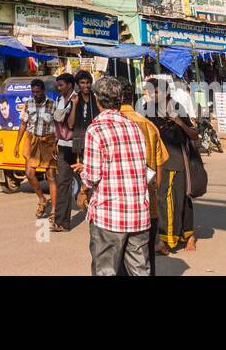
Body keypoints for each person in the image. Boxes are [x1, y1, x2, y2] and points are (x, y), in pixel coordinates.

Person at [80, 76, 152, 276]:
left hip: (109, 214)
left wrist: (83, 178)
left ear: (97, 99)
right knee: (140, 271)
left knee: (105, 270)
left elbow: (92, 176)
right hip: (138, 212)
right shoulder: (134, 127)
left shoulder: (96, 129)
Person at [116, 78, 166, 274]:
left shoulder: (108, 125)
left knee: (117, 262)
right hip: (147, 205)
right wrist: (152, 196)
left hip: (117, 208)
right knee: (146, 261)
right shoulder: (149, 126)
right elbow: (159, 171)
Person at [147, 79, 200, 254]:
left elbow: (194, 135)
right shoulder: (148, 110)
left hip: (176, 160)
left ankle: (171, 240)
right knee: (164, 199)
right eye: (151, 92)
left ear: (166, 92)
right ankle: (178, 237)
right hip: (156, 161)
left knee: (175, 199)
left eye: (157, 91)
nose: (153, 95)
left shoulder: (177, 108)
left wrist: (180, 123)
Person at [13, 78, 57, 219]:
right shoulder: (28, 103)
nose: (35, 94)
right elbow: (23, 124)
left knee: (50, 177)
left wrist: (57, 144)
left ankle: (54, 210)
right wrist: (17, 144)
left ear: (43, 91)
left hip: (48, 142)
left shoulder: (52, 105)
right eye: (33, 92)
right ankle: (42, 199)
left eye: (37, 92)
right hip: (32, 142)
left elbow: (59, 127)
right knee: (29, 173)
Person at [49, 74, 78, 232]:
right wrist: (55, 142)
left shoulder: (77, 100)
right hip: (63, 145)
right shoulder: (59, 100)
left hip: (78, 145)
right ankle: (62, 222)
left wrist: (74, 106)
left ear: (69, 85)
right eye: (58, 85)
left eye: (61, 85)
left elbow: (72, 124)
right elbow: (57, 125)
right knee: (63, 182)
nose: (58, 88)